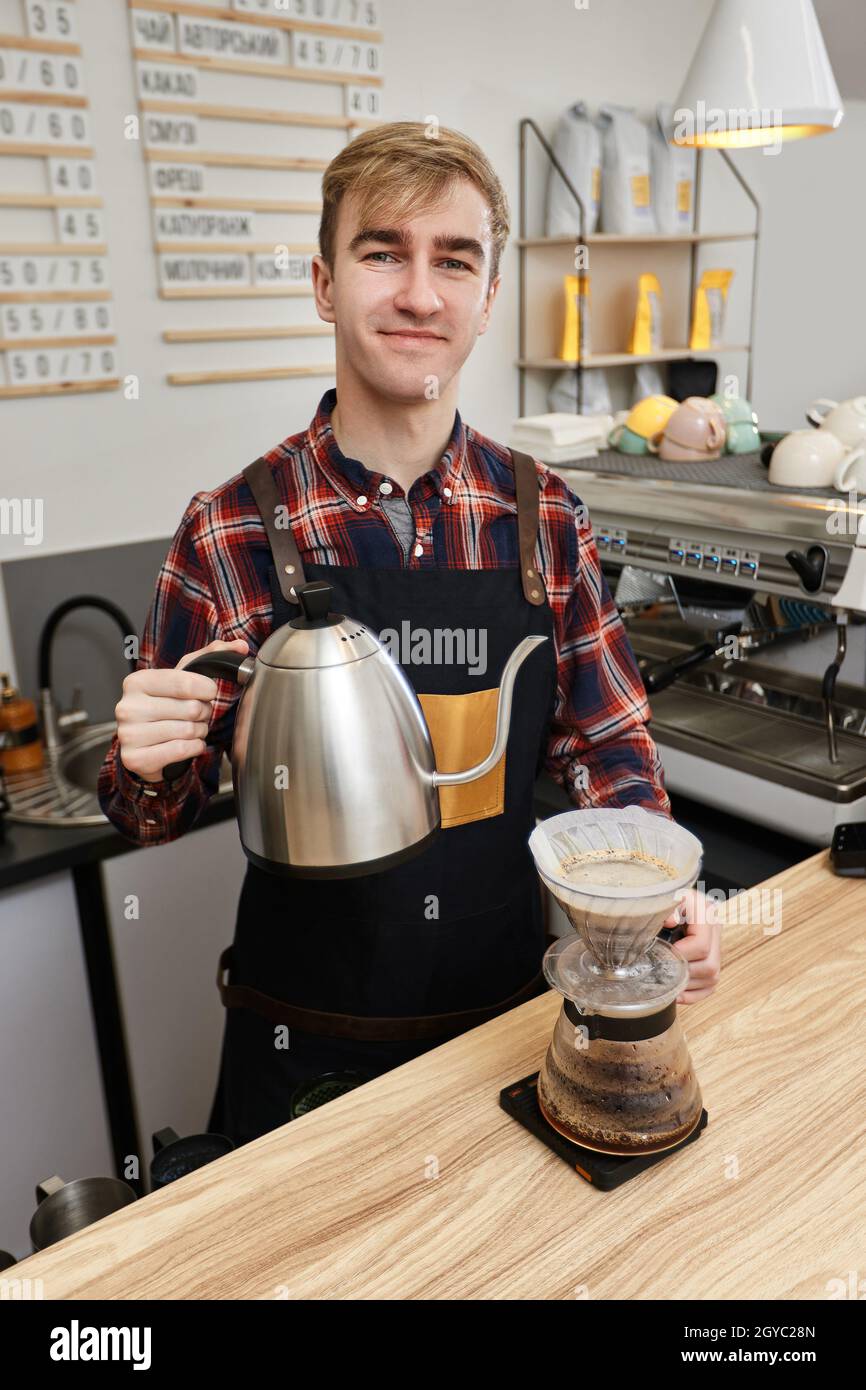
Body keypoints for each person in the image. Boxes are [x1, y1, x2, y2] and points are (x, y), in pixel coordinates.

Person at [98, 122, 721, 1146]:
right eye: (382, 251)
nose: (419, 293)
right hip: (301, 1043)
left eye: (454, 260)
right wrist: (144, 758)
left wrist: (658, 902)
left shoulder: (546, 519)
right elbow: (146, 815)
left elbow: (607, 750)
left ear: (484, 298)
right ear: (323, 283)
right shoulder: (230, 526)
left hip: (510, 1032)